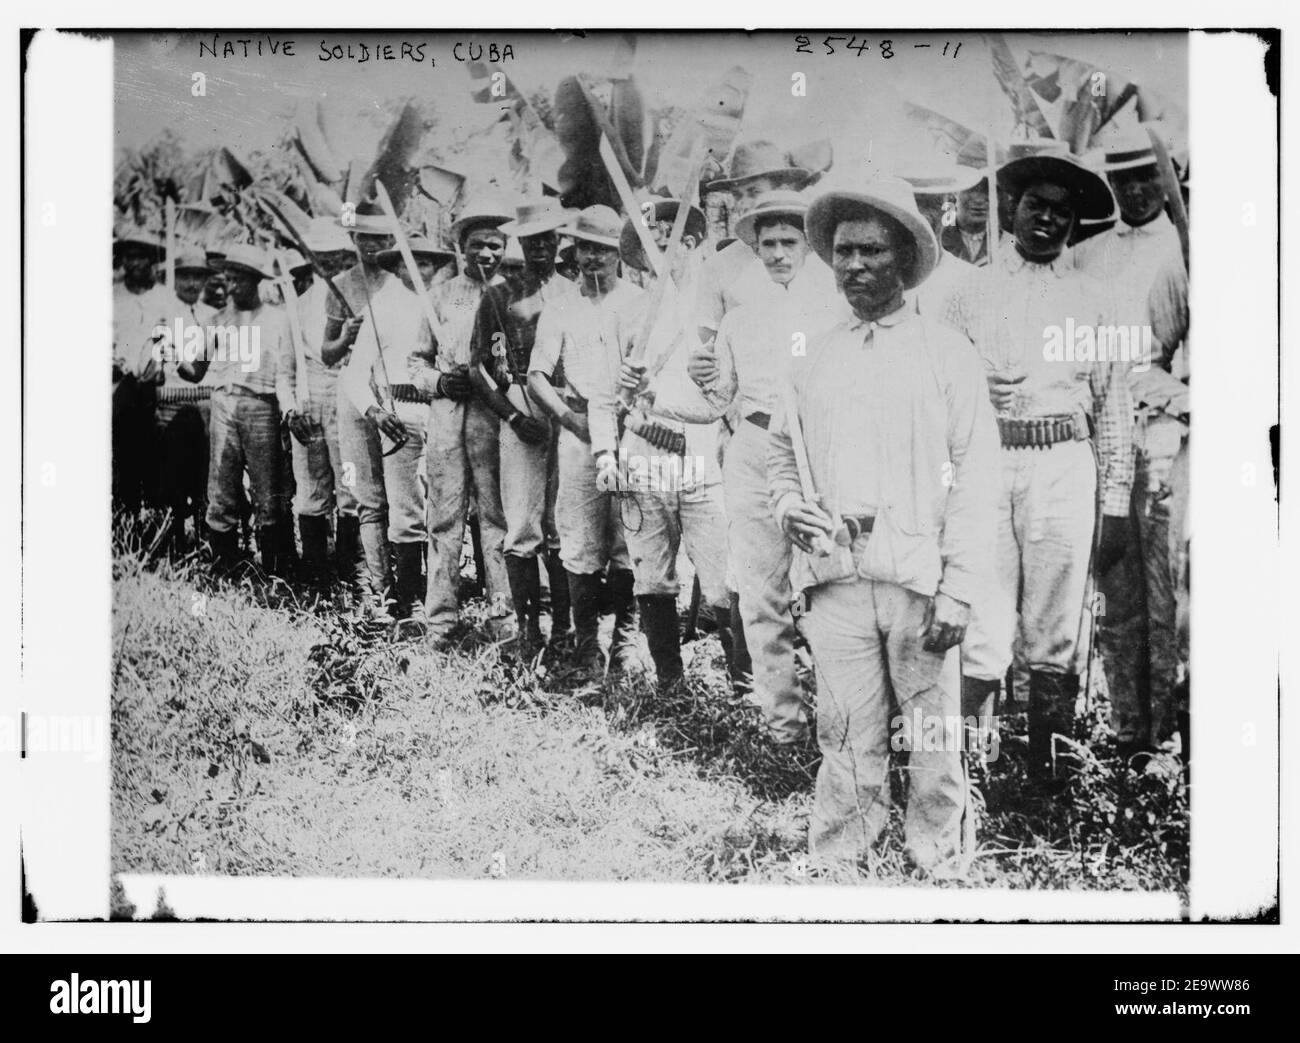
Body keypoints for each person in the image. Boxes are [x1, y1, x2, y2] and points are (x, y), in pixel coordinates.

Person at [769, 177, 999, 871]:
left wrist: (959, 587)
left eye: (871, 250)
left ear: (903, 257)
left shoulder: (945, 352)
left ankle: (938, 855)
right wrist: (790, 510)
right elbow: (783, 458)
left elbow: (976, 476)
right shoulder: (813, 354)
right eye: (843, 251)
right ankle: (842, 856)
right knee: (844, 726)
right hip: (836, 573)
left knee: (931, 728)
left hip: (916, 574)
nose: (855, 265)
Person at [943, 151, 1134, 783]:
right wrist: (976, 388)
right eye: (1035, 206)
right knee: (983, 610)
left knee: (1053, 622)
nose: (1046, 220)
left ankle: (1046, 773)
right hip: (990, 463)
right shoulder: (970, 290)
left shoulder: (1096, 299)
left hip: (1063, 466)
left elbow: (1113, 406)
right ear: (1012, 210)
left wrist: (1115, 500)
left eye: (1061, 211)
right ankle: (972, 766)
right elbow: (936, 385)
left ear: (1075, 223)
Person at [683, 189, 839, 743]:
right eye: (767, 243)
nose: (777, 253)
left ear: (808, 247)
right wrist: (698, 376)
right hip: (752, 445)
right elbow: (714, 399)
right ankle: (782, 725)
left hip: (817, 453)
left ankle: (839, 720)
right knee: (758, 589)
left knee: (829, 583)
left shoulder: (835, 311)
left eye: (788, 242)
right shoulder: (739, 321)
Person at [1073, 132, 1185, 768]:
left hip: (1166, 433)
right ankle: (1125, 727)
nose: (1137, 189)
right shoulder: (1087, 257)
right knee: (1117, 590)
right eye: (1124, 178)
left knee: (1166, 589)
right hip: (1105, 436)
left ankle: (1166, 738)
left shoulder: (1186, 251)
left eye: (1148, 176)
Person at [607, 199, 736, 693]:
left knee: (723, 572)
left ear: (691, 243)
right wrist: (608, 448)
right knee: (652, 573)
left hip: (701, 450)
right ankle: (669, 683)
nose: (661, 249)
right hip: (645, 450)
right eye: (650, 241)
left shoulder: (715, 306)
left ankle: (740, 686)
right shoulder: (629, 313)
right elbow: (607, 395)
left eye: (671, 238)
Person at [526, 205, 642, 683]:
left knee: (630, 535)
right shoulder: (561, 306)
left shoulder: (638, 302)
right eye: (585, 249)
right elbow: (536, 375)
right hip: (578, 430)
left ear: (619, 253)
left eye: (603, 250)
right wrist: (568, 418)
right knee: (577, 537)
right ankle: (587, 641)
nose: (593, 259)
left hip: (631, 427)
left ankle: (626, 641)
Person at [468, 199, 578, 661]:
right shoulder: (500, 294)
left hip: (570, 403)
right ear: (521, 243)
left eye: (548, 239)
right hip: (522, 400)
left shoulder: (575, 292)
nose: (540, 248)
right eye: (531, 241)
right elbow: (478, 368)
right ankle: (529, 630)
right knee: (522, 523)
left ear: (559, 242)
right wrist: (513, 416)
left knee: (566, 522)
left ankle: (567, 630)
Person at [413, 198, 515, 645]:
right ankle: (441, 621)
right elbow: (414, 363)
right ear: (461, 248)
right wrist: (438, 381)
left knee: (497, 518)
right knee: (444, 518)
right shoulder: (439, 295)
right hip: (448, 417)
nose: (486, 255)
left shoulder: (514, 295)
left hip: (494, 417)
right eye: (478, 245)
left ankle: (502, 618)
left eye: (495, 246)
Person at [344, 231, 455, 620]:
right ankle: (405, 602)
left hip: (443, 412)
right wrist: (375, 411)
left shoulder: (446, 302)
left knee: (441, 507)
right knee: (405, 511)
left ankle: (440, 594)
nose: (418, 270)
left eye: (425, 262)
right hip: (401, 414)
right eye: (409, 263)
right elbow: (355, 375)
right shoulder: (383, 307)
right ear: (396, 267)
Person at [178, 244, 295, 574]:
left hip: (262, 407)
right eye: (228, 279)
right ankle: (223, 565)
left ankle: (275, 569)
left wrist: (287, 411)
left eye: (239, 280)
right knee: (222, 484)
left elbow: (286, 374)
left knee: (267, 489)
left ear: (256, 281)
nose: (231, 287)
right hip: (224, 404)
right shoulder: (217, 322)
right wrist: (170, 352)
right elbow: (196, 369)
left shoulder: (277, 320)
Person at [320, 203, 399, 611]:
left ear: (390, 240)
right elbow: (327, 353)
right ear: (354, 240)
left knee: (401, 487)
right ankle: (369, 582)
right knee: (363, 490)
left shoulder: (400, 284)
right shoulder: (338, 285)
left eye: (380, 237)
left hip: (394, 388)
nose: (372, 245)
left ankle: (402, 582)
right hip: (353, 391)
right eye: (364, 237)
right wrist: (347, 334)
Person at [278, 220, 361, 585]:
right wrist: (290, 409)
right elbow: (284, 370)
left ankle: (352, 573)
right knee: (311, 488)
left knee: (351, 485)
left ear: (346, 257)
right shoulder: (297, 308)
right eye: (320, 257)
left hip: (349, 396)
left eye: (336, 257)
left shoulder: (359, 300)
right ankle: (316, 574)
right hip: (310, 398)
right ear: (309, 260)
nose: (328, 264)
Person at [142, 246, 218, 550]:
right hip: (169, 405)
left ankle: (205, 541)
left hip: (206, 405)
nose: (191, 284)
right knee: (173, 475)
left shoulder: (212, 317)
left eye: (197, 277)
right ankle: (171, 542)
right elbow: (150, 369)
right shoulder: (161, 315)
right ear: (175, 279)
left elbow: (211, 366)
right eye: (185, 277)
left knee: (206, 477)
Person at [112, 231, 171, 519]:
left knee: (156, 455)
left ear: (151, 260)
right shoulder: (111, 296)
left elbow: (173, 341)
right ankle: (127, 517)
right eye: (129, 256)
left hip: (157, 387)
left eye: (141, 256)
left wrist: (161, 364)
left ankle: (156, 521)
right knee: (124, 455)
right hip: (119, 387)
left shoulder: (163, 297)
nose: (135, 263)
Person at [899, 166, 982, 319]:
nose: (919, 215)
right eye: (912, 204)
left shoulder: (971, 280)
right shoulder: (883, 275)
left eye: (929, 204)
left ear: (949, 207)